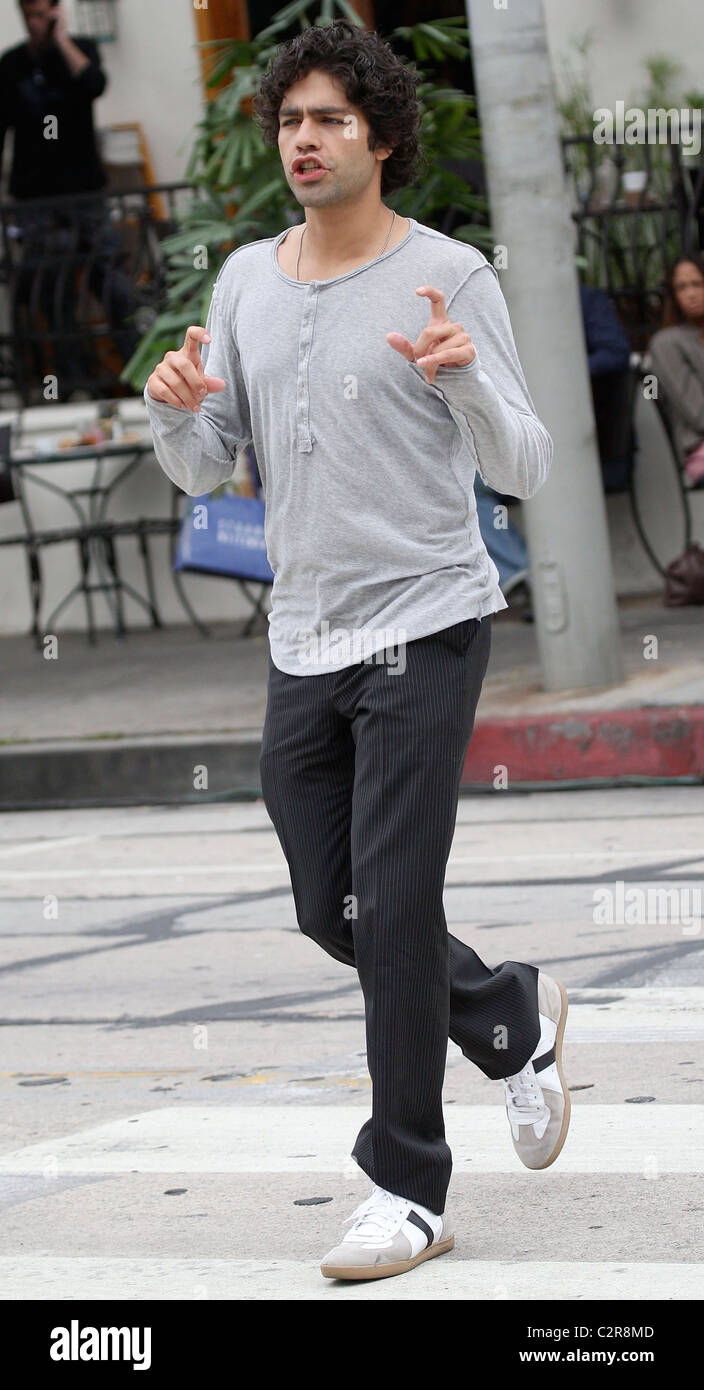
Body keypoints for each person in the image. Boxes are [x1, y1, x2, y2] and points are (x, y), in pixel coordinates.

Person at [144, 20, 570, 1285]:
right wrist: (172, 416)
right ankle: (501, 1012)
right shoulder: (241, 282)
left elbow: (525, 463)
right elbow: (211, 460)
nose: (306, 140)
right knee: (328, 904)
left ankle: (406, 1185)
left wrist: (467, 385)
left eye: (331, 119)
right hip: (305, 632)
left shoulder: (447, 275)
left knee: (389, 899)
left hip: (427, 619)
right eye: (290, 121)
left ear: (379, 136)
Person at [0, 0, 141, 396]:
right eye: (29, 15)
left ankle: (135, 377)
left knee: (113, 286)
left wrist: (61, 37)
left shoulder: (80, 50)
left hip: (85, 194)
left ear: (57, 11)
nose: (36, 22)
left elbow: (94, 84)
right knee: (54, 293)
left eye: (43, 13)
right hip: (36, 201)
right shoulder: (11, 65)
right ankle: (72, 382)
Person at [475, 281, 632, 616]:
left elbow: (615, 353)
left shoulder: (583, 298)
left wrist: (558, 376)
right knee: (470, 485)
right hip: (522, 436)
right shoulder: (498, 302)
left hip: (585, 439)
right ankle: (525, 575)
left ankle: (540, 585)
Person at [647, 253, 704, 488]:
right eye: (682, 287)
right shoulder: (667, 343)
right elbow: (699, 414)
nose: (691, 294)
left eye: (697, 284)